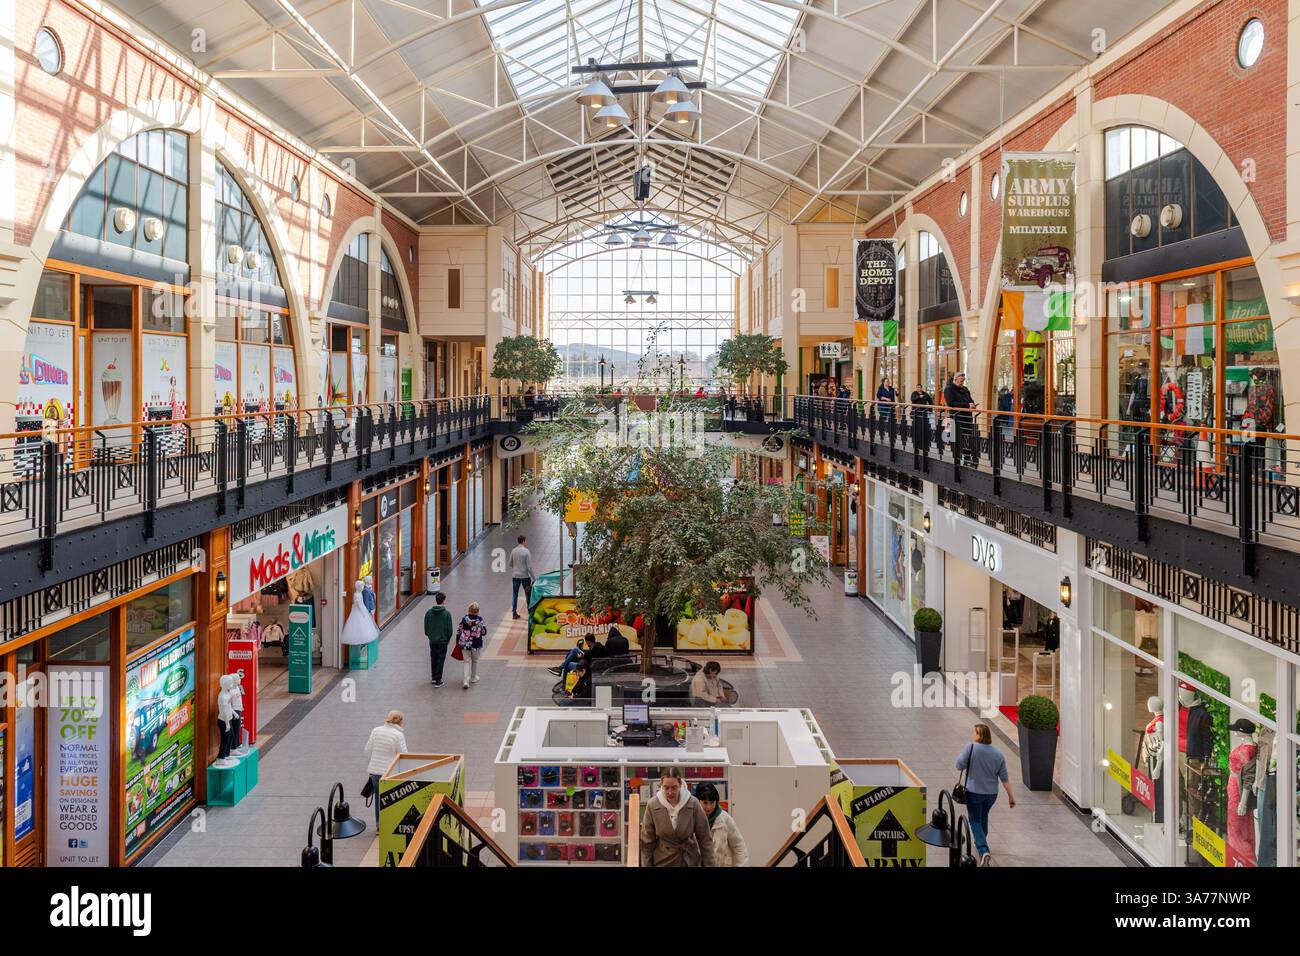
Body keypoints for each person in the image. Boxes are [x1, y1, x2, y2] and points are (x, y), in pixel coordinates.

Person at [955, 723, 1016, 866]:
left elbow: (958, 765)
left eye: (974, 732)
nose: (972, 734)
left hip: (974, 792)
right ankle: (980, 841)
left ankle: (984, 850)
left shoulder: (970, 748)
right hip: (991, 794)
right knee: (983, 816)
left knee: (975, 820)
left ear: (979, 735)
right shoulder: (998, 754)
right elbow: (1004, 778)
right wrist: (1011, 796)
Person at [640, 768, 715, 867]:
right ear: (661, 786)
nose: (670, 792)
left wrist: (710, 865)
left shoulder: (693, 803)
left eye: (674, 788)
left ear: (680, 785)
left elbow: (705, 839)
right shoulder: (653, 805)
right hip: (663, 861)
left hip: (689, 860)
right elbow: (647, 842)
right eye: (666, 788)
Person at [363, 711, 408, 826]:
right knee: (392, 798)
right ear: (400, 721)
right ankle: (391, 824)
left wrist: (373, 764)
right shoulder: (398, 735)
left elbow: (367, 751)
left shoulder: (376, 730)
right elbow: (403, 755)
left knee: (379, 798)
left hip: (375, 773)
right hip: (390, 772)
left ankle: (379, 826)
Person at [694, 782, 749, 867]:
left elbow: (739, 846)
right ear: (697, 801)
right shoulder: (691, 818)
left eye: (712, 802)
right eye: (705, 803)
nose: (708, 807)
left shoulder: (725, 819)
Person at [943, 371, 978, 465]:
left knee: (967, 437)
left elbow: (970, 400)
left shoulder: (965, 389)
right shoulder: (949, 389)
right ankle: (957, 459)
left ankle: (967, 458)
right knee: (958, 438)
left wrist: (973, 405)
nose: (962, 383)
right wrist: (967, 405)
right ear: (955, 379)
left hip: (967, 417)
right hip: (957, 418)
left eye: (963, 381)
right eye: (961, 381)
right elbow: (951, 403)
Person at [423, 591, 453, 687]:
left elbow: (426, 626)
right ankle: (438, 680)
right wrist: (448, 638)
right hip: (443, 640)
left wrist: (430, 635)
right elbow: (450, 629)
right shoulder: (447, 614)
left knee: (434, 657)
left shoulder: (428, 613)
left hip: (432, 640)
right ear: (443, 601)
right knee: (441, 659)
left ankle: (433, 677)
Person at [457, 601, 487, 689]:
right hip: (476, 643)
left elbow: (459, 630)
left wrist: (458, 640)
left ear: (469, 610)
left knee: (466, 661)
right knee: (475, 660)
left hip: (465, 643)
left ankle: (466, 680)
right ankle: (473, 677)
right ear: (478, 610)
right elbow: (484, 632)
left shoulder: (464, 619)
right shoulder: (480, 620)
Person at [509, 535, 535, 620]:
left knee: (515, 594)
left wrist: (517, 567)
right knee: (528, 595)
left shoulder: (513, 551)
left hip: (515, 576)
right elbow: (529, 567)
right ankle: (530, 613)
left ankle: (514, 613)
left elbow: (510, 563)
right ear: (523, 541)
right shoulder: (526, 551)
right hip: (525, 577)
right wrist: (533, 577)